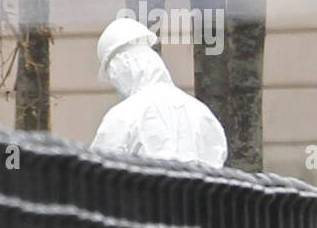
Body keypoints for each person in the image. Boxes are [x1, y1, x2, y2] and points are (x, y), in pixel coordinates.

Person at [90, 17, 227, 167]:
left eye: (112, 77)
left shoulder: (124, 115)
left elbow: (96, 174)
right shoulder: (201, 112)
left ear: (119, 69)